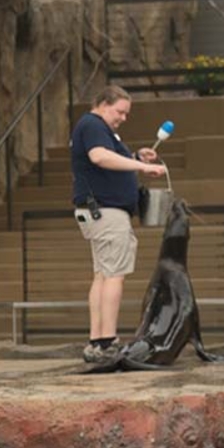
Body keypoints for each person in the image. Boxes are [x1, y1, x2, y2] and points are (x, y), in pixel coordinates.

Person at [70, 85, 167, 363]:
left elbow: (104, 160)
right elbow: (99, 157)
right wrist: (142, 168)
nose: (123, 118)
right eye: (120, 112)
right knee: (114, 275)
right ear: (102, 103)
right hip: (106, 212)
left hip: (100, 211)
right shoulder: (93, 124)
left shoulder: (97, 128)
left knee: (103, 273)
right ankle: (108, 341)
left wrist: (135, 157)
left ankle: (97, 342)